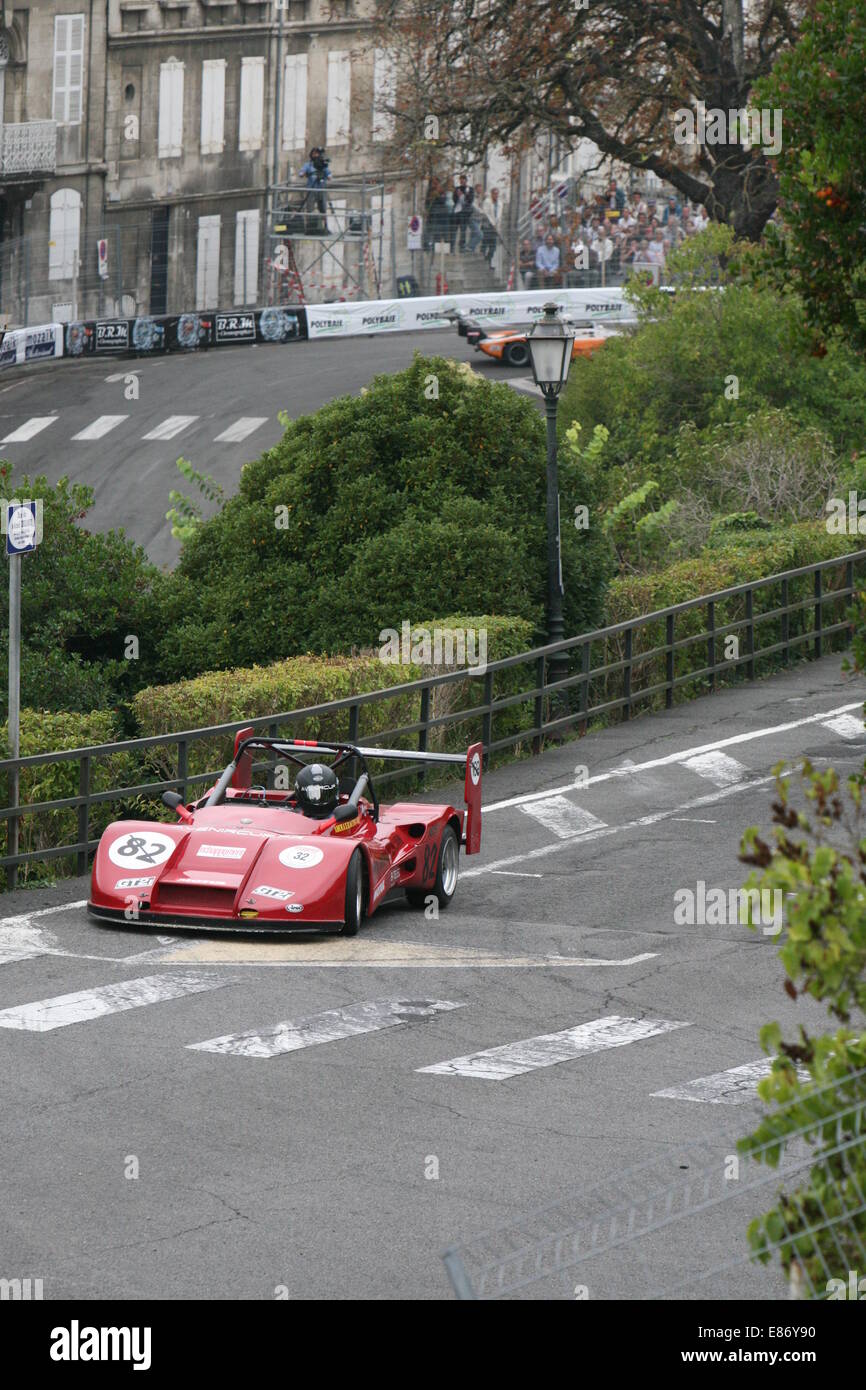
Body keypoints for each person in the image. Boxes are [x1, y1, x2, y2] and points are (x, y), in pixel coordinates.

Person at [481, 186, 503, 265]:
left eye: (497, 194)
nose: (496, 195)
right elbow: (486, 213)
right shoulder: (487, 201)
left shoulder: (500, 203)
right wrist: (492, 223)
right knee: (485, 243)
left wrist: (497, 227)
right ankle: (482, 259)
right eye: (494, 194)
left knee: (493, 246)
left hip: (495, 228)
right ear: (491, 194)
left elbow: (499, 217)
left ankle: (488, 259)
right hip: (487, 226)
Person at [454, 174, 474, 251]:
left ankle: (462, 245)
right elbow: (454, 199)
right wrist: (457, 195)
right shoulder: (457, 189)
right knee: (454, 229)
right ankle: (453, 245)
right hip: (457, 211)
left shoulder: (470, 189)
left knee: (463, 229)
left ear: (466, 180)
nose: (462, 181)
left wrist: (463, 196)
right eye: (460, 180)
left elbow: (470, 200)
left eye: (463, 180)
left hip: (465, 212)